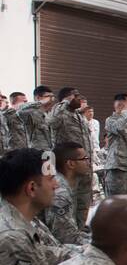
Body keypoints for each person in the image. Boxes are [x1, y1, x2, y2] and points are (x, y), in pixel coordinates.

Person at [49, 87, 96, 229]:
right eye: (76, 96)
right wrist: (64, 103)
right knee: (70, 198)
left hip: (84, 164)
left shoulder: (78, 115)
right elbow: (52, 122)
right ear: (67, 98)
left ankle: (80, 228)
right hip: (69, 166)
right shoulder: (60, 113)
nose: (80, 99)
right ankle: (70, 231)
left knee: (84, 199)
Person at [103, 94, 127, 199]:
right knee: (116, 202)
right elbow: (118, 128)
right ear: (119, 104)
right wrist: (124, 113)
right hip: (117, 167)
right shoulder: (110, 120)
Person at [17, 86, 55, 155]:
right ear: (38, 98)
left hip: (50, 152)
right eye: (48, 97)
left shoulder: (49, 114)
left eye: (52, 97)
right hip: (37, 153)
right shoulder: (31, 112)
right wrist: (41, 102)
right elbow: (20, 110)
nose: (51, 99)